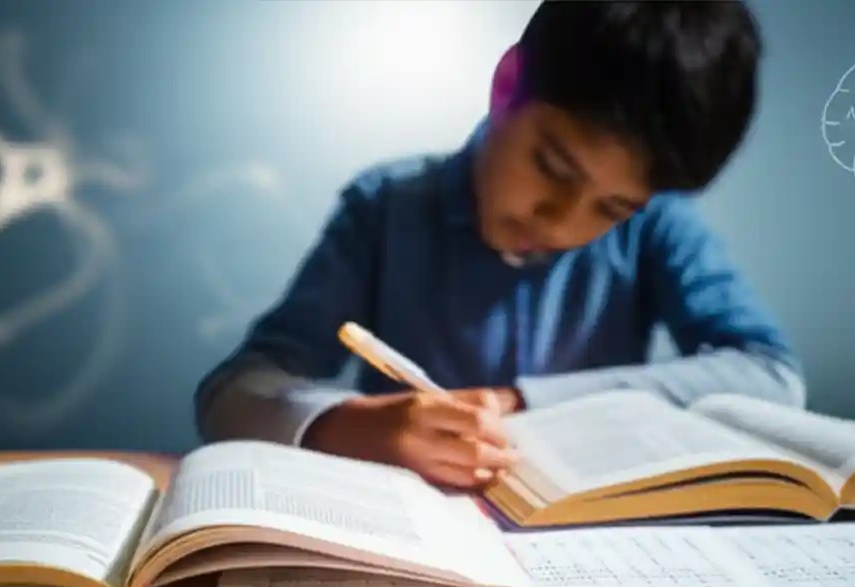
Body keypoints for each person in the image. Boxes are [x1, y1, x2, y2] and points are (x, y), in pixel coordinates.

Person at [194, 1, 804, 490]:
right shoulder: (386, 208)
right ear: (507, 83)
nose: (561, 223)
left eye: (613, 208)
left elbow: (770, 375)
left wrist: (523, 402)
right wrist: (347, 427)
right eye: (553, 167)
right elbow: (234, 392)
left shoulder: (656, 225)